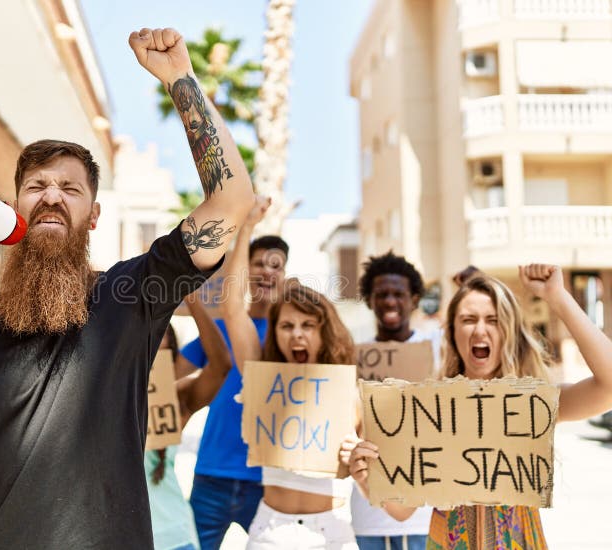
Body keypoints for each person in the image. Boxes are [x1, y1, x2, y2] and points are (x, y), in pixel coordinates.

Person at [0, 27, 255, 549]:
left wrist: (181, 80)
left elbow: (232, 201)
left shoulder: (134, 292)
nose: (52, 196)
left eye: (70, 188)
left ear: (94, 214)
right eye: (36, 187)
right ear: (15, 209)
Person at [346, 265, 612, 550]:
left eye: (493, 320)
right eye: (468, 319)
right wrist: (364, 477)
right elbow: (401, 511)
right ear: (452, 331)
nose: (480, 330)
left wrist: (557, 296)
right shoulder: (428, 410)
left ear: (508, 330)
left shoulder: (529, 404)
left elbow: (608, 386)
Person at [222, 197, 358, 549]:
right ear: (275, 332)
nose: (297, 334)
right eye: (287, 325)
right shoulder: (261, 376)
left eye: (307, 325)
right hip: (270, 531)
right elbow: (233, 308)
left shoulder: (348, 391)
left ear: (323, 331)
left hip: (331, 534)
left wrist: (356, 459)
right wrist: (248, 226)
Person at [179, 197, 289, 549]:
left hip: (265, 479)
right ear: (244, 267)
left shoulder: (291, 338)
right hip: (212, 473)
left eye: (277, 266)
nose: (268, 271)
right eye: (259, 263)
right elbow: (169, 378)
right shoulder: (221, 331)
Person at [350, 251, 438, 550]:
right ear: (369, 300)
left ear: (414, 299)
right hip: (369, 509)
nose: (390, 301)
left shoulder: (436, 351)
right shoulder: (352, 357)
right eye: (382, 294)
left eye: (398, 294)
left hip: (424, 511)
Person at [147, 292, 233, 550]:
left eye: (160, 346)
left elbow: (220, 367)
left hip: (174, 539)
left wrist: (192, 296)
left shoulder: (175, 397)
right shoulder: (100, 396)